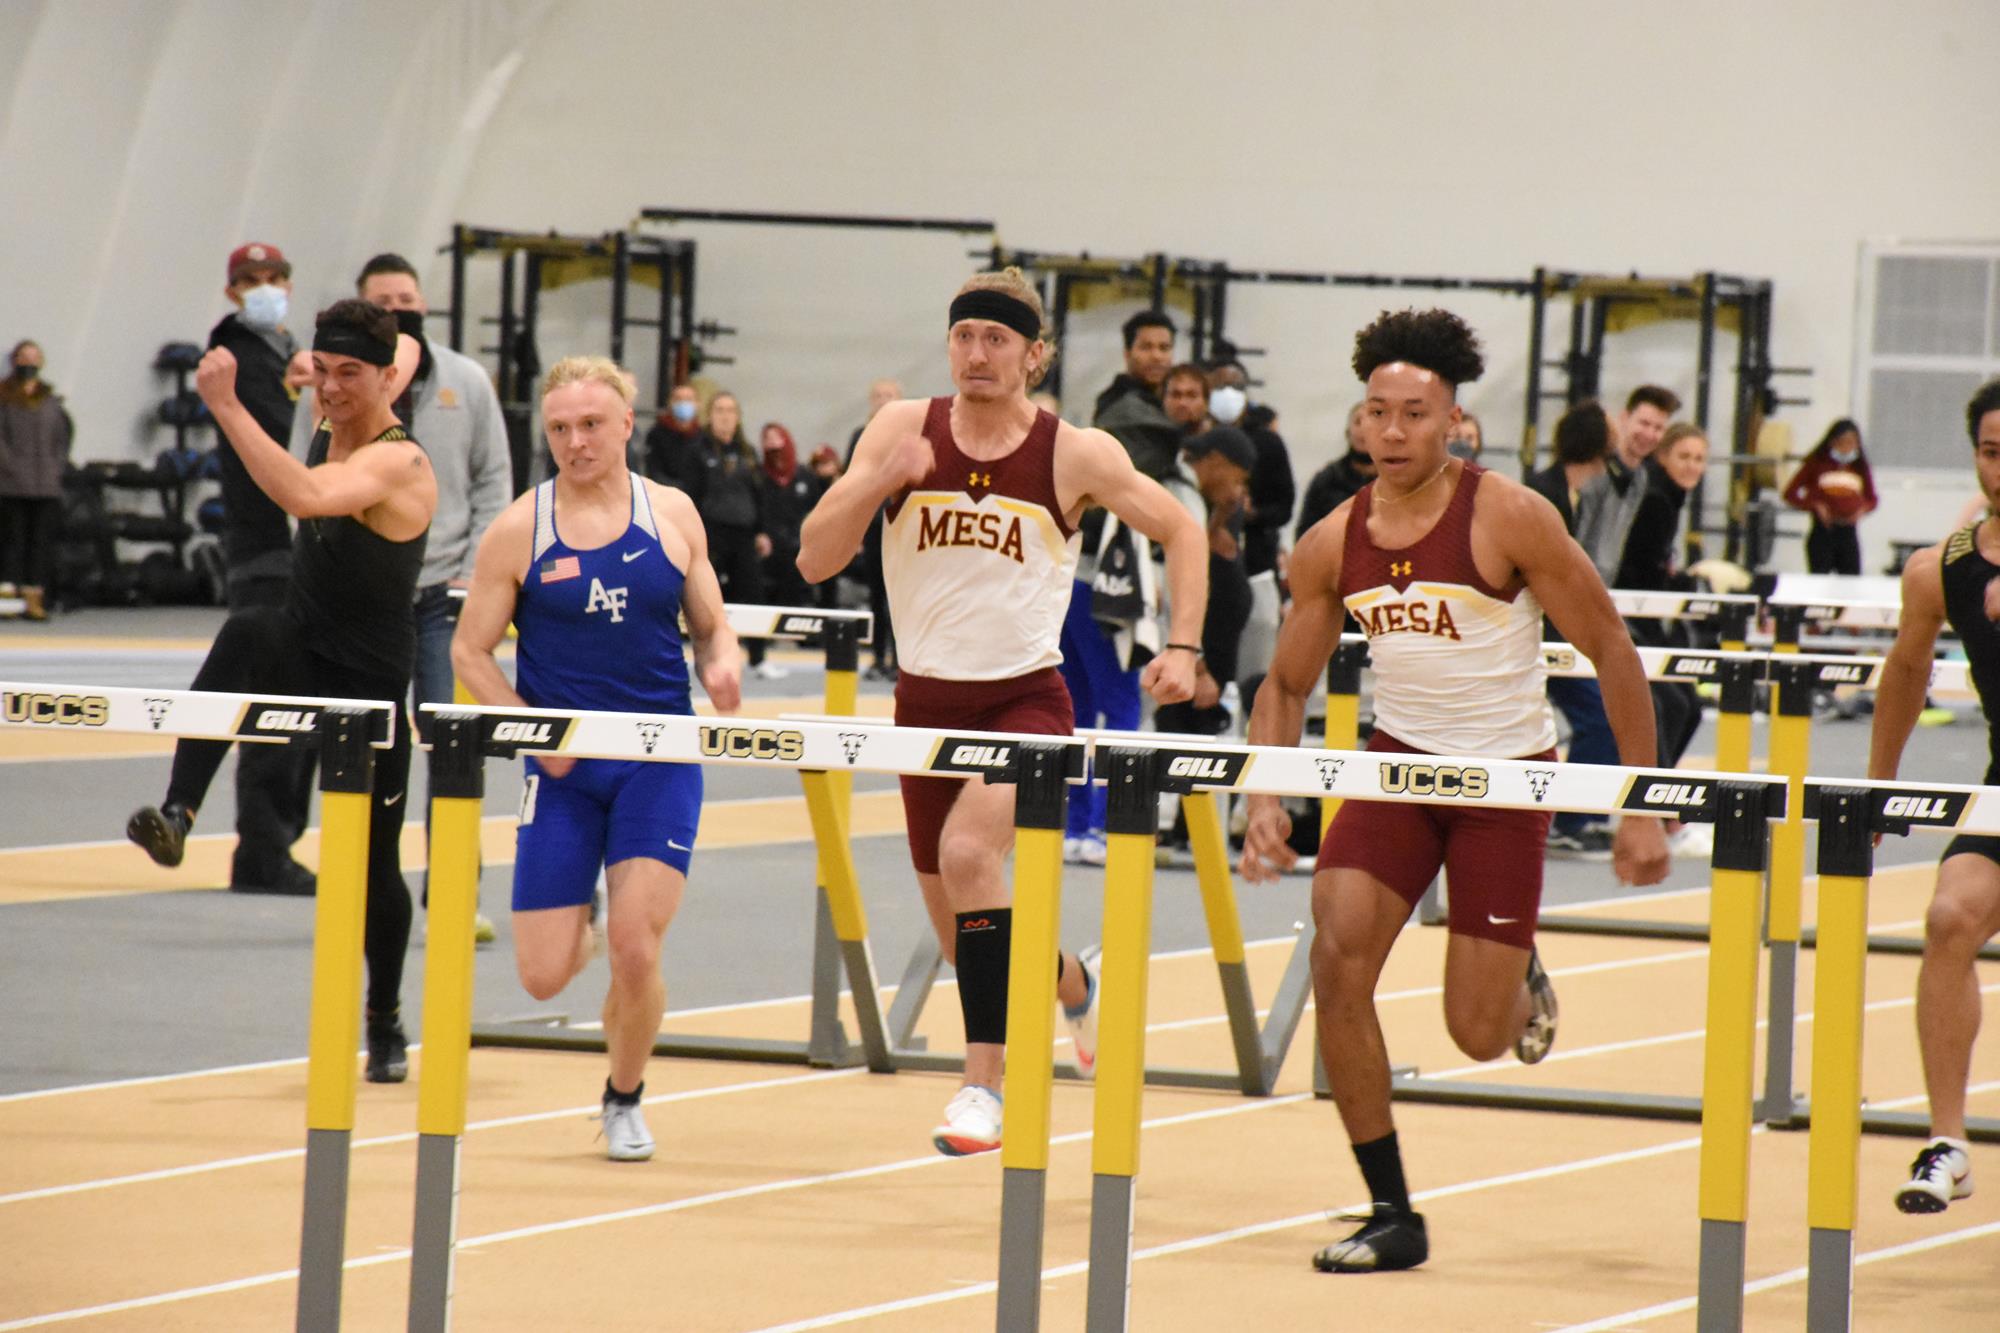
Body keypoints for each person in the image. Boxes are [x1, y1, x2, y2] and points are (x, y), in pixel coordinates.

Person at [1240, 307, 1668, 1274]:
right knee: (1336, 957)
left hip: (1504, 781)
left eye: (1414, 415)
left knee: (1476, 1035)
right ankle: (1391, 1209)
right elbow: (1284, 685)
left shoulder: (1508, 515)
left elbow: (1608, 645)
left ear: (1453, 423)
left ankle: (1516, 970)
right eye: (1376, 413)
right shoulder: (1332, 540)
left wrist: (1641, 800)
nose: (1392, 433)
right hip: (1398, 770)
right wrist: (1264, 796)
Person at [798, 267, 1207, 1156]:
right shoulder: (904, 428)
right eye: (963, 338)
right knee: (970, 942)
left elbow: (1183, 528)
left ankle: (983, 1087)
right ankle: (1070, 984)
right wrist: (877, 485)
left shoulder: (1074, 452)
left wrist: (1183, 644)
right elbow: (814, 560)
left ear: (1034, 353)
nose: (976, 355)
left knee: (969, 852)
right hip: (924, 703)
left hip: (1026, 700)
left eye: (996, 340)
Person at [127, 300, 437, 1082]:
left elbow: (300, 496)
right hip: (301, 651)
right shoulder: (339, 410)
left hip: (366, 691)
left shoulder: (399, 462)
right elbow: (375, 351)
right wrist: (316, 368)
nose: (330, 390)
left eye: (348, 375)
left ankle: (386, 1016)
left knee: (373, 871)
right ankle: (178, 813)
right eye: (322, 371)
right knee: (247, 630)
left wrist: (226, 406)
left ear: (387, 378)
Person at [454, 355, 740, 1161]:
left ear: (624, 424)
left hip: (658, 757)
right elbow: (472, 652)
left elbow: (713, 623)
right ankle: (587, 914)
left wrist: (721, 663)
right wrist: (531, 736)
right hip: (566, 771)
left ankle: (624, 1094)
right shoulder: (519, 528)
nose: (575, 442)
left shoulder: (672, 513)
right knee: (542, 976)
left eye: (589, 425)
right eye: (558, 429)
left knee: (635, 947)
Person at [292, 253, 514, 938]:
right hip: (367, 602)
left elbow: (492, 482)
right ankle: (353, 882)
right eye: (386, 300)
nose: (401, 306)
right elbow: (304, 483)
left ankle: (454, 889)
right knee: (360, 747)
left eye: (409, 298)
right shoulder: (331, 396)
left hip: (445, 593)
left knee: (453, 743)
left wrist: (477, 574)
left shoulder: (468, 382)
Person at [1869, 378, 2000, 1215]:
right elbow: (1906, 675)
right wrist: (1875, 789)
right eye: (1992, 453)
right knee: (1950, 915)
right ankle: (1946, 1142)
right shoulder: (1942, 572)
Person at [209, 241, 318, 897]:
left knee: (296, 703)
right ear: (231, 291)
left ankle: (274, 841)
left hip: (290, 549)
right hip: (266, 549)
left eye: (275, 277)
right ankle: (263, 848)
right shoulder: (238, 357)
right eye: (251, 280)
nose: (265, 288)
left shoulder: (284, 349)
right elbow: (289, 437)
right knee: (278, 706)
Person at [1530, 401, 1621, 858]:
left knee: (1607, 714)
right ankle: (1568, 819)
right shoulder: (1541, 493)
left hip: (1565, 629)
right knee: (1601, 719)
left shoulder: (1591, 493)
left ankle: (1589, 814)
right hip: (1538, 633)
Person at [1615, 423, 1711, 854]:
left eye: (1699, 459)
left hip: (1652, 618)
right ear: (1664, 458)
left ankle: (1664, 809)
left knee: (1688, 705)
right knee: (1671, 706)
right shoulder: (1655, 501)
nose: (1692, 466)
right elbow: (1634, 571)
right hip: (1629, 619)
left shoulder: (1670, 498)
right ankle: (1662, 817)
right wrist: (1676, 586)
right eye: (1684, 457)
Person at [694, 392, 778, 678]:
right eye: (719, 409)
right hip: (711, 534)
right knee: (707, 597)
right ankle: (708, 656)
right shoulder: (698, 450)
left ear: (738, 416)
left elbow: (759, 494)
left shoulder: (748, 453)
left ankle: (758, 658)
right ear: (710, 414)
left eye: (730, 410)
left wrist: (762, 531)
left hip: (744, 534)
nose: (725, 415)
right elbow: (690, 496)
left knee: (753, 593)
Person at [1574, 385, 1681, 585]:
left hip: (1606, 588)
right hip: (1577, 584)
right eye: (1644, 423)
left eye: (1658, 428)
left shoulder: (1641, 477)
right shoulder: (1597, 469)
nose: (1649, 434)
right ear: (1625, 418)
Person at [0, 340, 73, 620]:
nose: (29, 362)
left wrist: (56, 467)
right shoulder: (5, 396)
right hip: (11, 484)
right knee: (12, 540)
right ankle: (7, 598)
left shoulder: (50, 399)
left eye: (34, 356)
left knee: (39, 543)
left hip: (45, 484)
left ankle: (34, 598)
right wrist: (10, 467)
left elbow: (61, 438)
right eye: (24, 356)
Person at [1207, 361, 1295, 579]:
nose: (1227, 393)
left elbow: (1284, 507)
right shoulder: (1196, 442)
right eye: (1219, 386)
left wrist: (1252, 513)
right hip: (1203, 555)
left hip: (1256, 560)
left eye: (1235, 386)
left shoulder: (1268, 442)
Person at [846, 378, 901, 678]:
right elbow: (849, 485)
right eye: (878, 395)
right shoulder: (860, 436)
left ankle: (900, 660)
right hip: (871, 526)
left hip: (900, 526)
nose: (883, 400)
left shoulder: (909, 434)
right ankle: (879, 657)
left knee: (900, 596)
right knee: (876, 595)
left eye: (889, 395)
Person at [1093, 310, 1182, 482]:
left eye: (1164, 348)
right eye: (1146, 347)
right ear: (1127, 353)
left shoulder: (1165, 402)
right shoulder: (1117, 406)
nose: (1156, 356)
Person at [1783, 418, 1878, 575]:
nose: (1847, 448)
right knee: (1819, 578)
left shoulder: (1860, 467)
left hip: (1848, 532)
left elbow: (1872, 498)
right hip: (1822, 531)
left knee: (1850, 580)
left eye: (1852, 443)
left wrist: (1862, 510)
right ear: (1832, 442)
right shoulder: (1816, 463)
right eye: (1842, 443)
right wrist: (1814, 505)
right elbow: (1790, 493)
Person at [758, 421, 820, 608]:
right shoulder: (759, 476)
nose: (773, 444)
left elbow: (817, 507)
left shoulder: (804, 476)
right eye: (767, 439)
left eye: (777, 438)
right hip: (770, 542)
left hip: (799, 540)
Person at [1296, 402, 1375, 539]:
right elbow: (1306, 535)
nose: (1363, 430)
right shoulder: (1327, 479)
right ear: (1348, 432)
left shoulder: (1397, 480)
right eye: (1358, 422)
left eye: (1372, 422)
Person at [640, 383, 706, 495]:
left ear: (698, 404)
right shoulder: (657, 434)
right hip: (665, 497)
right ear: (670, 403)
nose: (683, 404)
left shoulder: (704, 437)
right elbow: (653, 471)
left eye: (688, 399)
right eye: (678, 399)